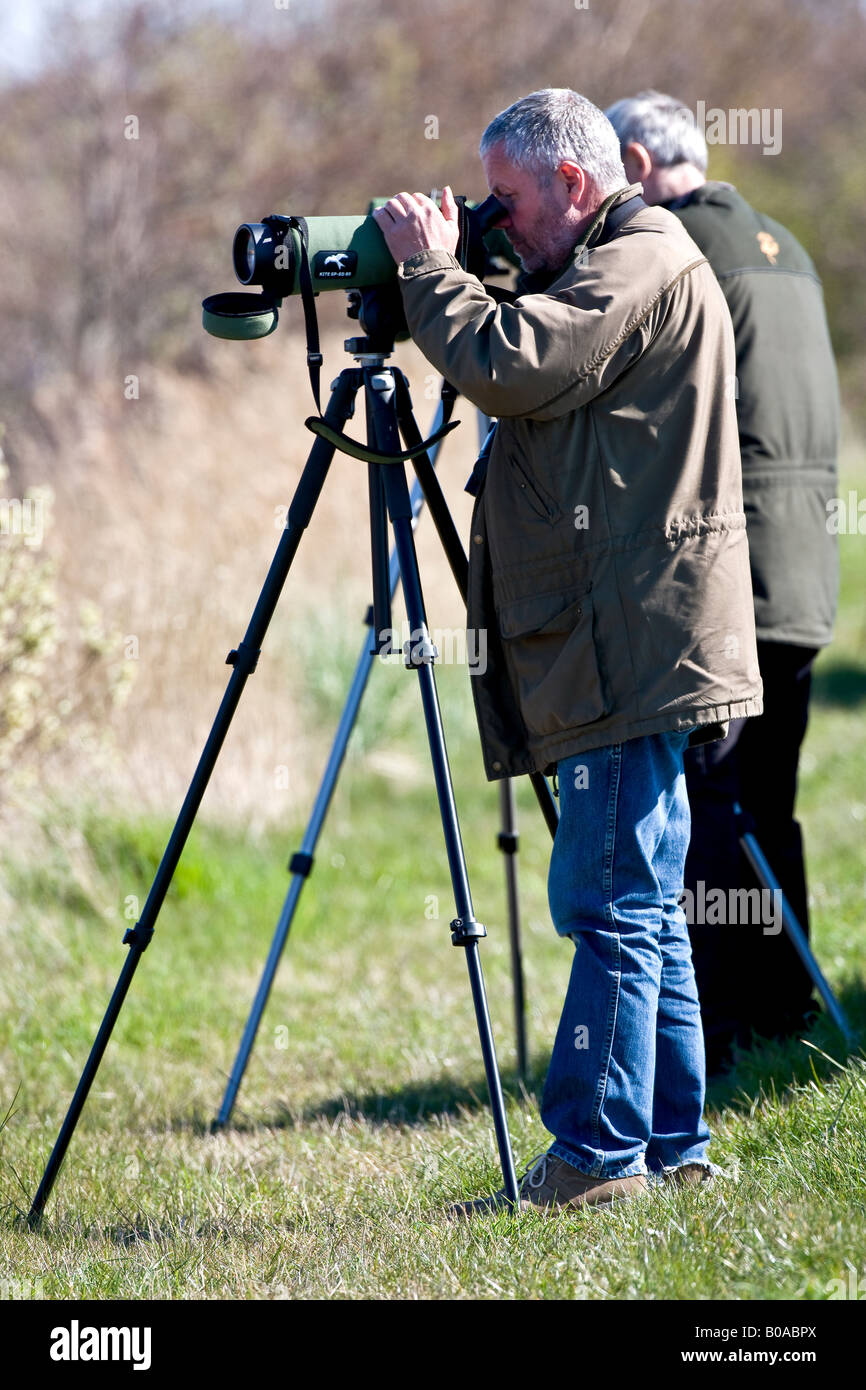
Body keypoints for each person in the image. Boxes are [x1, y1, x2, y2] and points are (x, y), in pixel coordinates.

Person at [372, 88, 762, 1213]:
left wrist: (429, 272)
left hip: (626, 635)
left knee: (606, 901)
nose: (492, 224)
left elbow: (511, 366)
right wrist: (470, 261)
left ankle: (594, 1157)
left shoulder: (640, 255)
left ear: (574, 186)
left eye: (504, 201)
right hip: (630, 628)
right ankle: (670, 1144)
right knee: (640, 899)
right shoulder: (615, 255)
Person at [605, 91, 840, 1074]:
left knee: (706, 809)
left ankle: (719, 1027)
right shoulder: (780, 242)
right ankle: (781, 1006)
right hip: (802, 576)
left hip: (728, 578)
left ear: (630, 159)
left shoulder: (670, 248)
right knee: (763, 802)